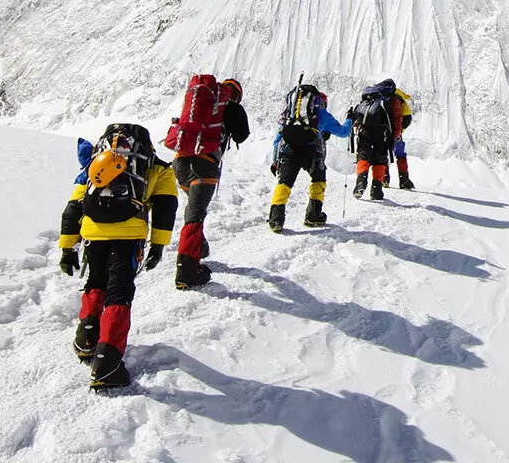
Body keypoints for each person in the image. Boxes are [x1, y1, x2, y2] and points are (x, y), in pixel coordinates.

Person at [58, 124, 177, 391]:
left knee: (96, 281)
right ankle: (107, 363)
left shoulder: (95, 163)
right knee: (119, 293)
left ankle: (87, 339)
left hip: (92, 231)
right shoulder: (157, 168)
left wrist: (68, 248)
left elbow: (73, 208)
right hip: (128, 234)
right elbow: (166, 208)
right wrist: (158, 246)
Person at [171, 77, 249, 289]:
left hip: (179, 162)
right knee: (195, 212)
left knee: (195, 206)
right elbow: (242, 135)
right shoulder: (232, 108)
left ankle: (199, 246)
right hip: (204, 165)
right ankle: (186, 270)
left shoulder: (201, 102)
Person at [268, 81, 351, 232]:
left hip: (289, 150)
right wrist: (350, 119)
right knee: (318, 180)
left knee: (284, 184)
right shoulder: (322, 115)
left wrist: (275, 161)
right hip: (311, 152)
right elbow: (343, 132)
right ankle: (313, 215)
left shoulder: (290, 114)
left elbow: (278, 138)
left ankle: (276, 219)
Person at [348, 78, 407, 200]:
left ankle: (361, 180)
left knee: (363, 156)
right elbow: (397, 119)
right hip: (381, 133)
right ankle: (376, 189)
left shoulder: (370, 96)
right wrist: (395, 136)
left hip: (364, 131)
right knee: (379, 159)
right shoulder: (392, 98)